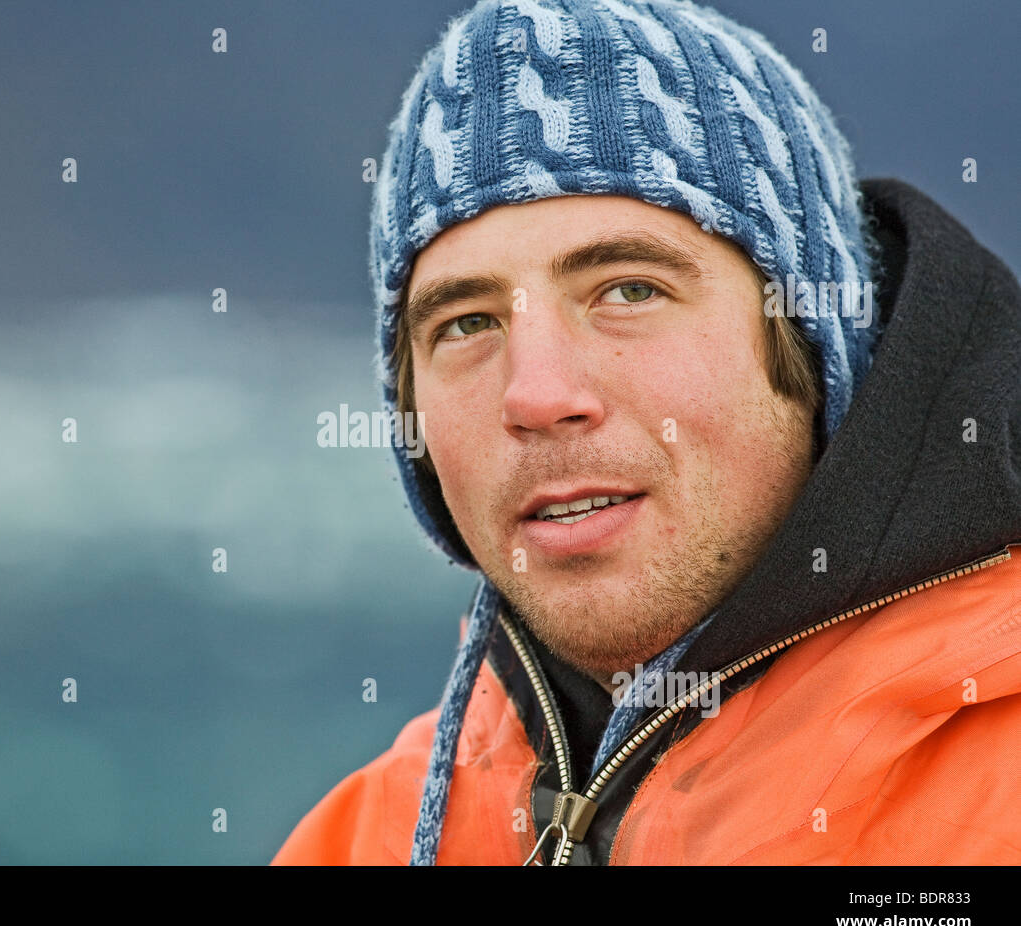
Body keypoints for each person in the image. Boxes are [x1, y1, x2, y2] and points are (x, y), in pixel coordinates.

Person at [273, 0, 1021, 865]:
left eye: (629, 290)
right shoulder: (362, 840)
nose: (538, 394)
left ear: (812, 342)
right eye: (468, 323)